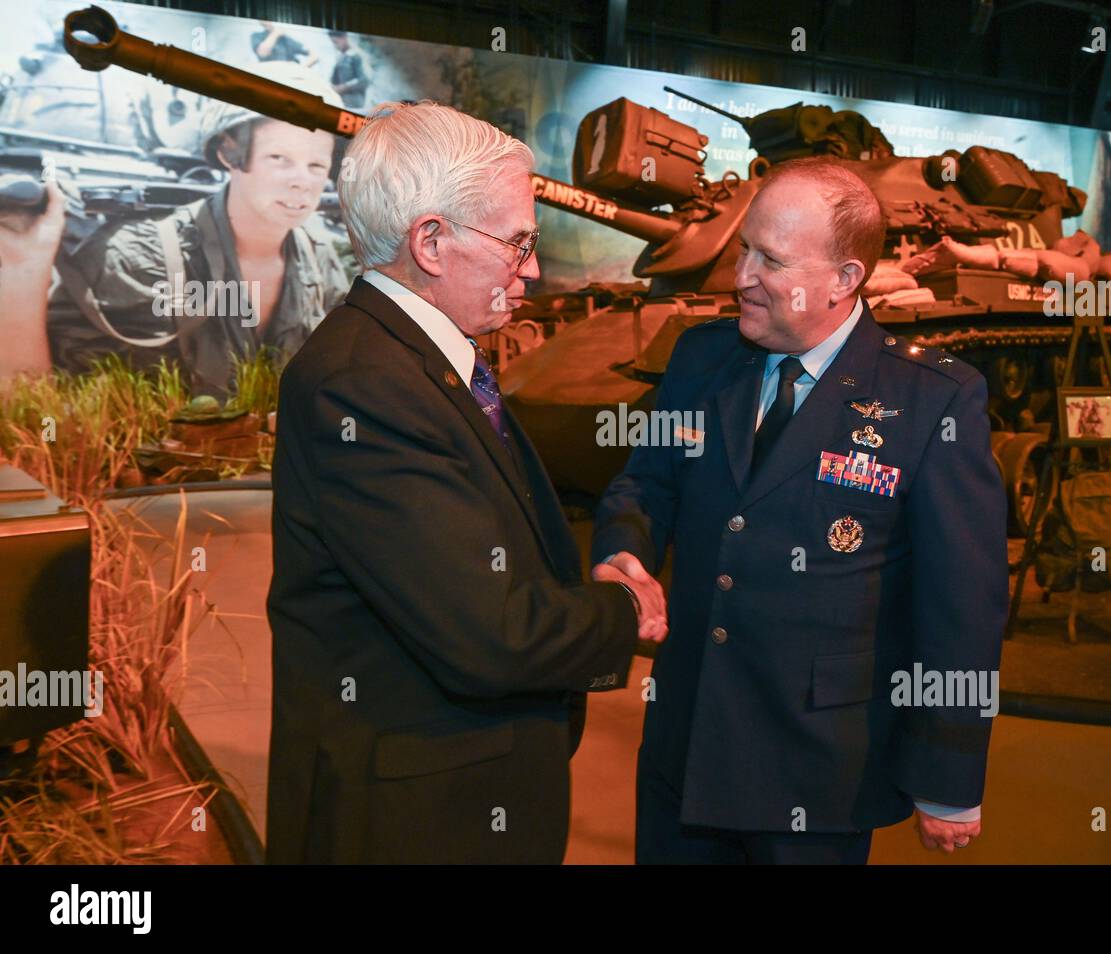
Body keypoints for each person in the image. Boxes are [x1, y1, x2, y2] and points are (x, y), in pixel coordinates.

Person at [265, 100, 666, 864]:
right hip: (418, 816)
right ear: (432, 242)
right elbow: (488, 633)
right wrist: (623, 612)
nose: (535, 270)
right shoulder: (365, 385)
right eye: (518, 244)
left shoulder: (414, 362)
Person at [592, 156, 1007, 864]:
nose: (740, 275)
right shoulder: (700, 359)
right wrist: (625, 546)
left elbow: (962, 606)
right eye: (746, 247)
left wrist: (948, 776)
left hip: (818, 772)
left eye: (771, 260)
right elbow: (647, 483)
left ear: (845, 280)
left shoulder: (932, 400)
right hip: (684, 745)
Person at [0, 63, 351, 399]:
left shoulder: (322, 265)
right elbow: (46, 402)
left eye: (316, 165)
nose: (301, 183)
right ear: (230, 154)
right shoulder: (131, 260)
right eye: (279, 159)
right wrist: (24, 272)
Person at [327, 31, 370, 111]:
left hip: (355, 106)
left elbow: (364, 80)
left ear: (344, 37)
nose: (335, 46)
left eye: (336, 42)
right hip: (343, 104)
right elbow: (334, 80)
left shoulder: (356, 55)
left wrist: (343, 87)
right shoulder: (341, 57)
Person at [250, 21, 318, 68]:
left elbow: (314, 55)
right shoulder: (257, 36)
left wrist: (302, 69)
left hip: (290, 74)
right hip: (270, 74)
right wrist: (276, 33)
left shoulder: (287, 40)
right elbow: (263, 53)